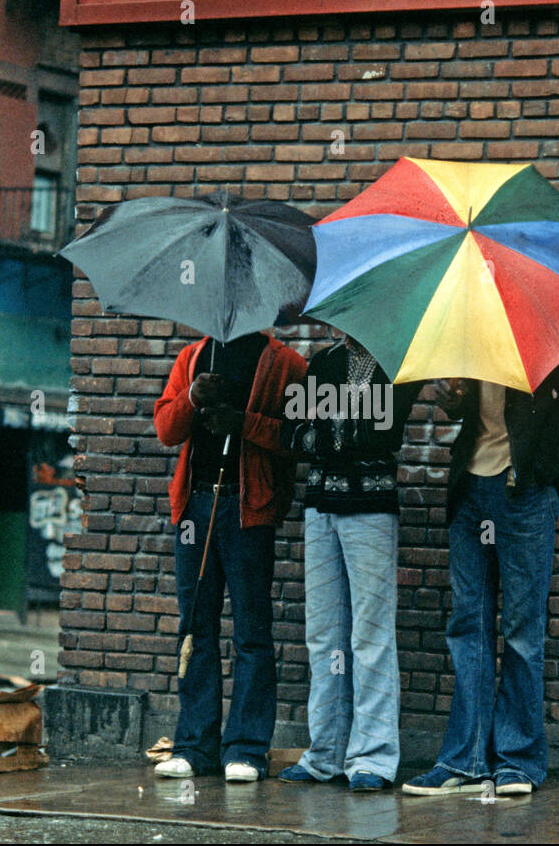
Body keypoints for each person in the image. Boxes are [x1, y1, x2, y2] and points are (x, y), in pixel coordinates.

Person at [402, 348, 559, 797]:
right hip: (472, 487)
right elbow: (469, 412)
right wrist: (453, 398)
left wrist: (536, 471)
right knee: (469, 624)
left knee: (523, 631)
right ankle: (465, 761)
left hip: (523, 493)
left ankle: (517, 761)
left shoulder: (546, 328)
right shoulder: (473, 326)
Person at [151, 329, 306, 783]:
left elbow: (297, 437)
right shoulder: (194, 356)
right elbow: (165, 430)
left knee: (251, 631)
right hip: (196, 505)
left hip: (247, 506)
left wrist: (242, 422)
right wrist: (193, 398)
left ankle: (246, 748)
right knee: (195, 625)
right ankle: (194, 745)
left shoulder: (286, 364)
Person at [276, 334, 419, 792]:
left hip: (371, 508)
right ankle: (325, 754)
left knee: (370, 632)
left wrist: (331, 431)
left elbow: (385, 431)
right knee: (323, 633)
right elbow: (292, 432)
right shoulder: (323, 363)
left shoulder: (399, 362)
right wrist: (338, 431)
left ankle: (373, 759)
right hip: (320, 506)